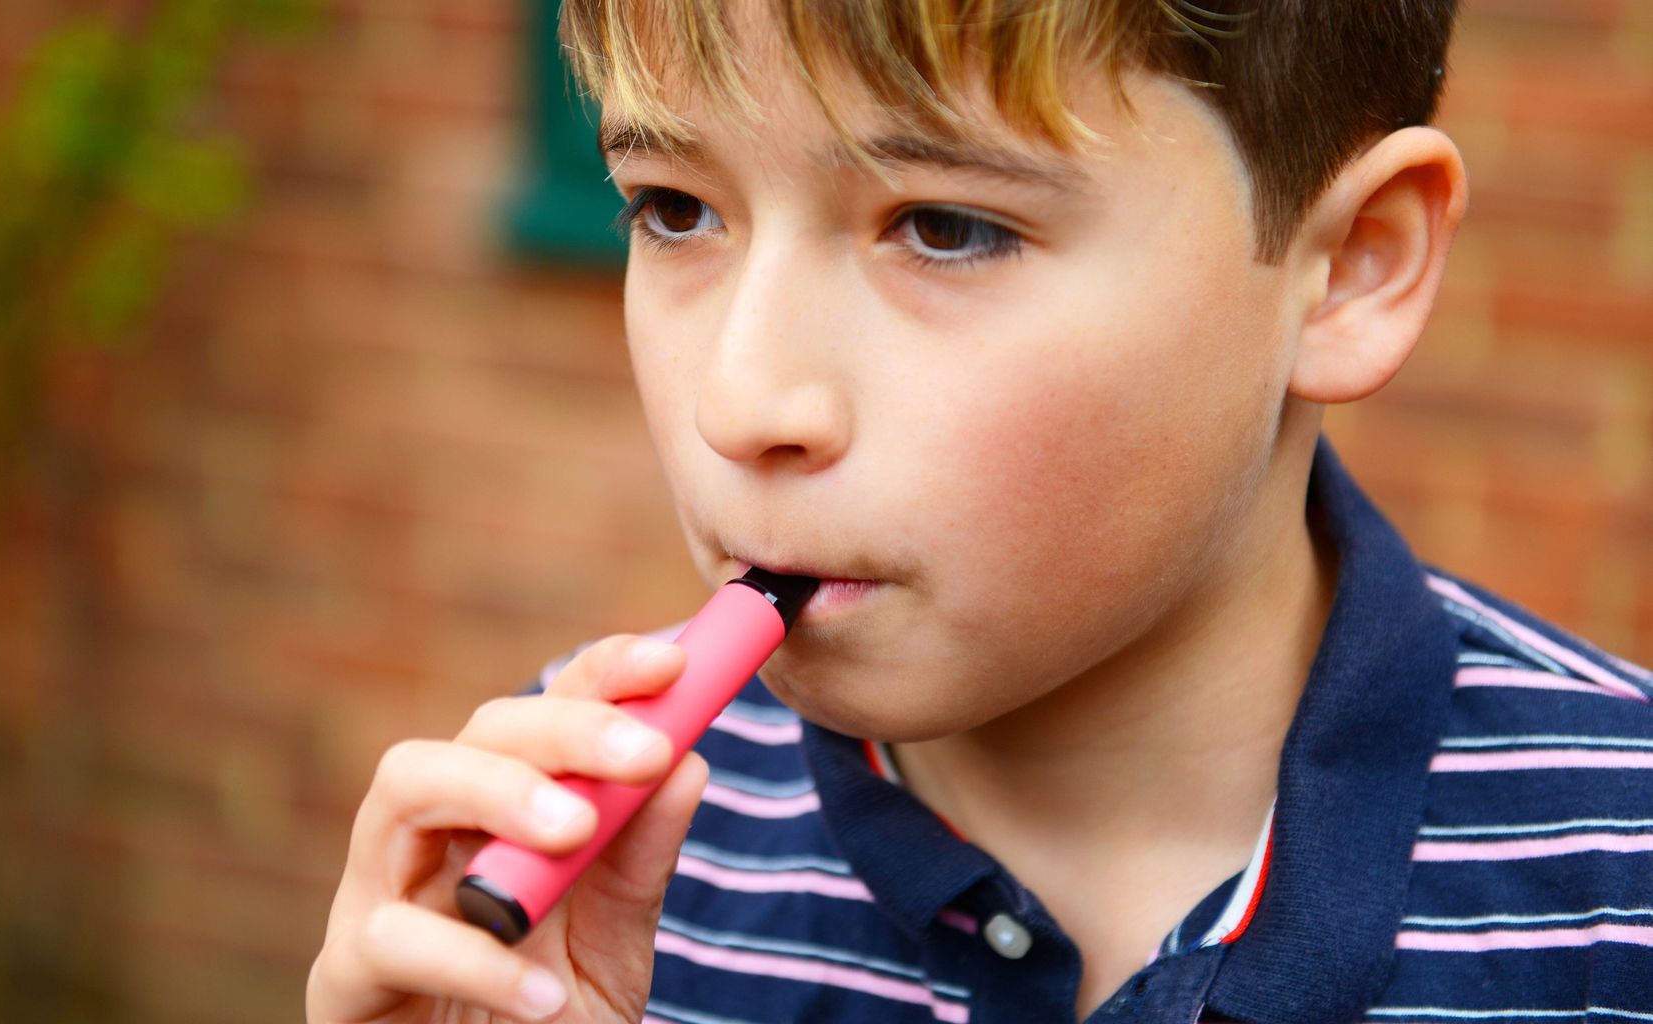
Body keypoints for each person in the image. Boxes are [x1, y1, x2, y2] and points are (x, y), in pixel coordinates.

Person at [306, 0, 1653, 1021]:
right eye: (672, 208)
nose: (744, 396)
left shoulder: (1619, 880)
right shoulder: (580, 856)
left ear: (1350, 268)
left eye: (946, 227)